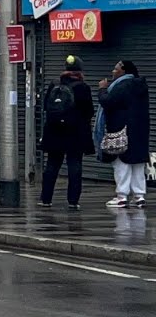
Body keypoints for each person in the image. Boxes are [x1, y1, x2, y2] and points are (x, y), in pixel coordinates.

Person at [38, 55, 95, 209]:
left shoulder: (54, 84)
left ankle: (45, 199)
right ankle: (73, 201)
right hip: (75, 133)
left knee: (52, 165)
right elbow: (89, 111)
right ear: (80, 71)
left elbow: (45, 106)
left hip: (54, 131)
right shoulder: (82, 87)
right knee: (74, 165)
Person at [98, 60, 150, 209]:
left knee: (121, 164)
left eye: (116, 69)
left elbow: (108, 102)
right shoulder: (141, 86)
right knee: (137, 164)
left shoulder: (122, 86)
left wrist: (102, 90)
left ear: (124, 71)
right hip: (139, 131)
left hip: (122, 130)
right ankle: (139, 196)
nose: (113, 72)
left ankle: (122, 196)